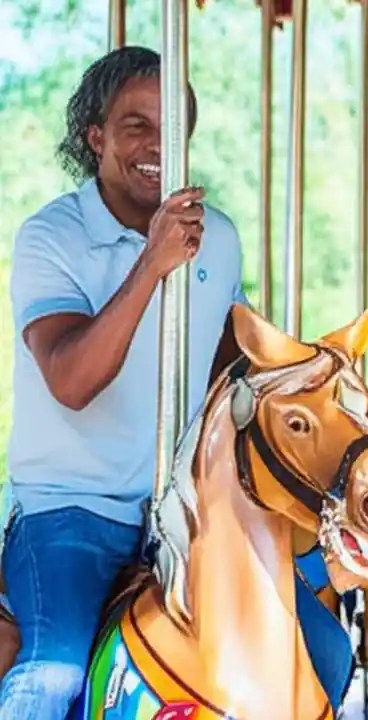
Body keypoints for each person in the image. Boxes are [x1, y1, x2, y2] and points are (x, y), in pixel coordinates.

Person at [0, 47, 247, 717]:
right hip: (68, 509)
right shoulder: (51, 236)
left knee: (314, 645)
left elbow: (234, 370)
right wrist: (151, 266)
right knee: (53, 671)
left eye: (174, 125)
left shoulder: (217, 238)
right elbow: (72, 380)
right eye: (137, 123)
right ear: (96, 136)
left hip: (176, 516)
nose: (158, 143)